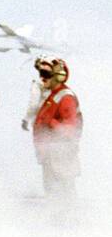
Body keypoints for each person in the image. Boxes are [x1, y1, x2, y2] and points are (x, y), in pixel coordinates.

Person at [32, 58, 82, 197]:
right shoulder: (53, 95)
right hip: (52, 155)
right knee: (53, 194)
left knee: (63, 195)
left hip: (61, 157)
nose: (42, 78)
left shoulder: (65, 97)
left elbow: (69, 130)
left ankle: (67, 218)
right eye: (41, 73)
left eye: (46, 74)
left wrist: (51, 122)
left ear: (58, 76)